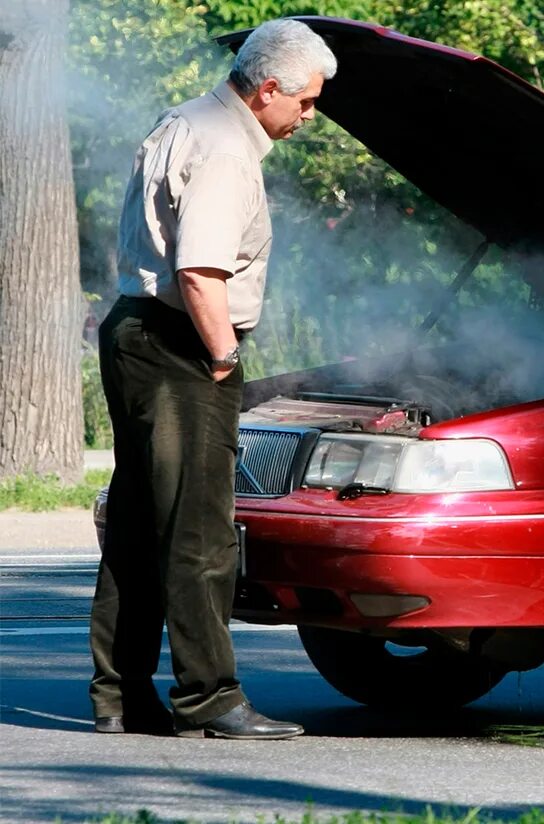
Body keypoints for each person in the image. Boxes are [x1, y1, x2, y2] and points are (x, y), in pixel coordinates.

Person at [89, 19, 336, 739]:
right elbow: (200, 270)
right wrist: (224, 358)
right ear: (268, 90)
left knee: (138, 525)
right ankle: (210, 698)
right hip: (180, 347)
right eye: (306, 102)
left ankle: (120, 694)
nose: (309, 115)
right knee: (200, 533)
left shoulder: (186, 117)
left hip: (134, 332)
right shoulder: (230, 151)